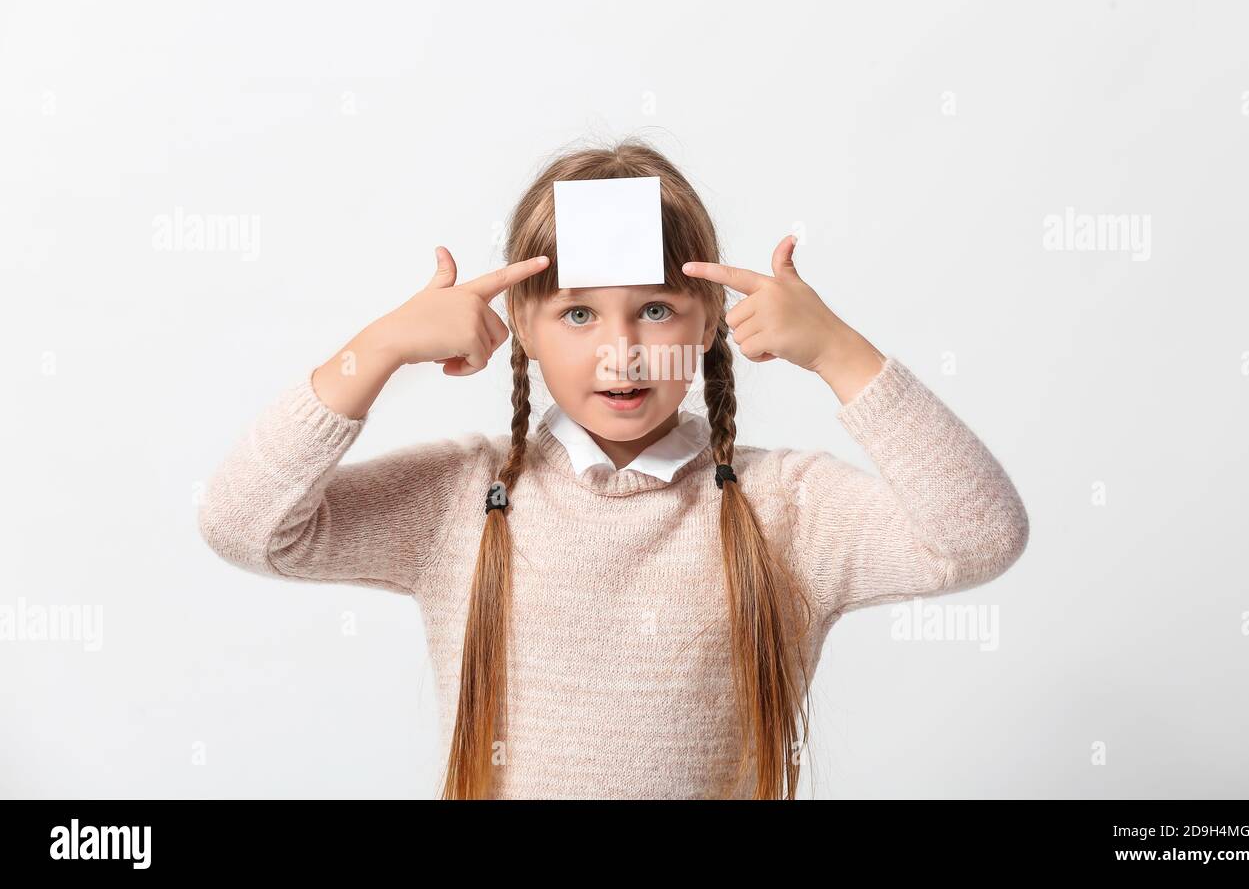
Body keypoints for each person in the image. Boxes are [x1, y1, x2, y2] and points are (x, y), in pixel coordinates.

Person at [197, 138, 1030, 799]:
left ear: (710, 320)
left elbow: (979, 537)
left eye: (657, 309)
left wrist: (845, 355)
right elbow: (244, 526)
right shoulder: (465, 500)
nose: (621, 351)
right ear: (521, 322)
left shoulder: (789, 510)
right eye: (579, 312)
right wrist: (374, 351)